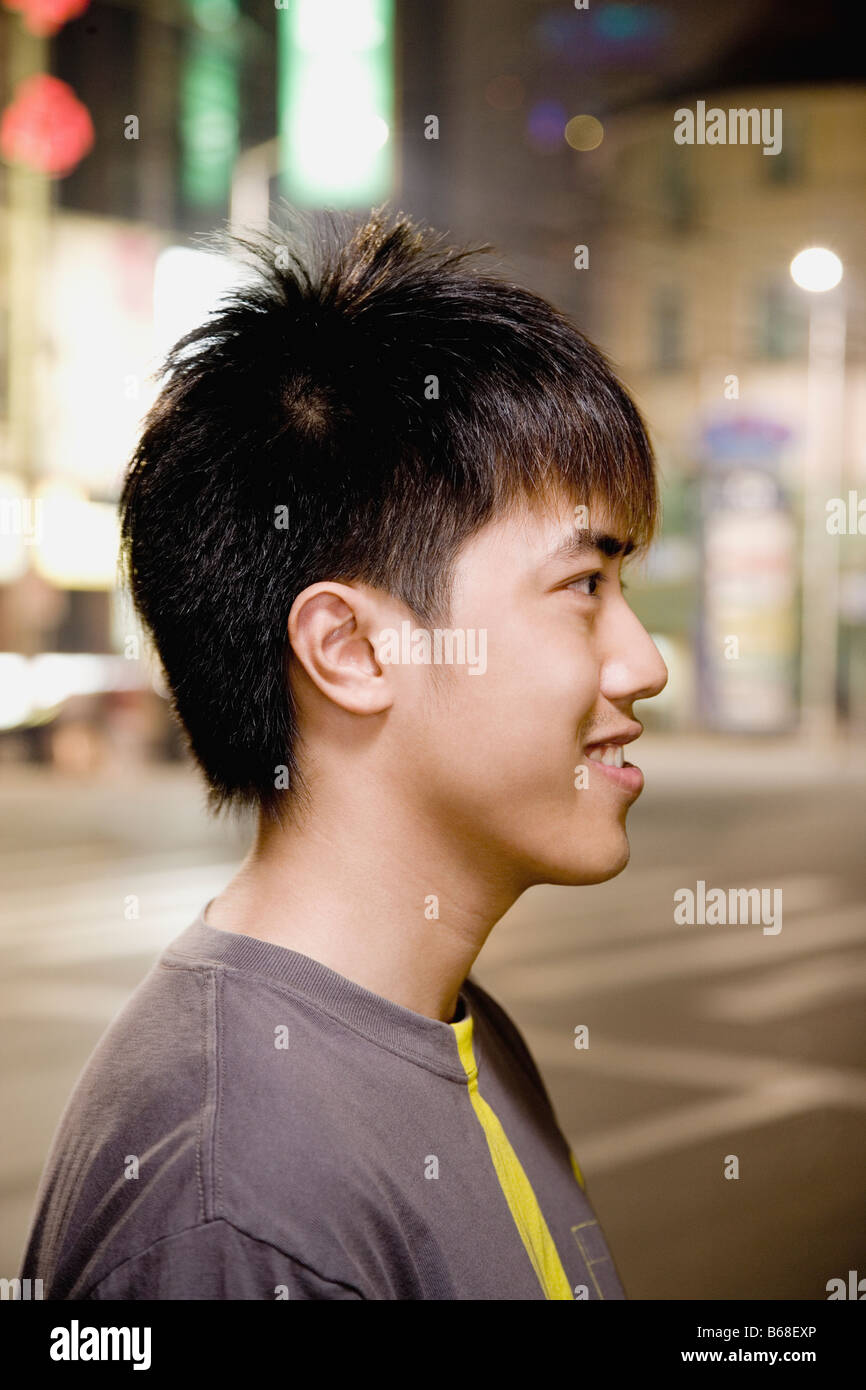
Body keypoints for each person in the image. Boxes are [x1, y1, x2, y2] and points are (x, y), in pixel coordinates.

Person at [21, 205, 667, 1300]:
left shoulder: (448, 1026)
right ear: (352, 648)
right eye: (584, 586)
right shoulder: (234, 1208)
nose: (641, 662)